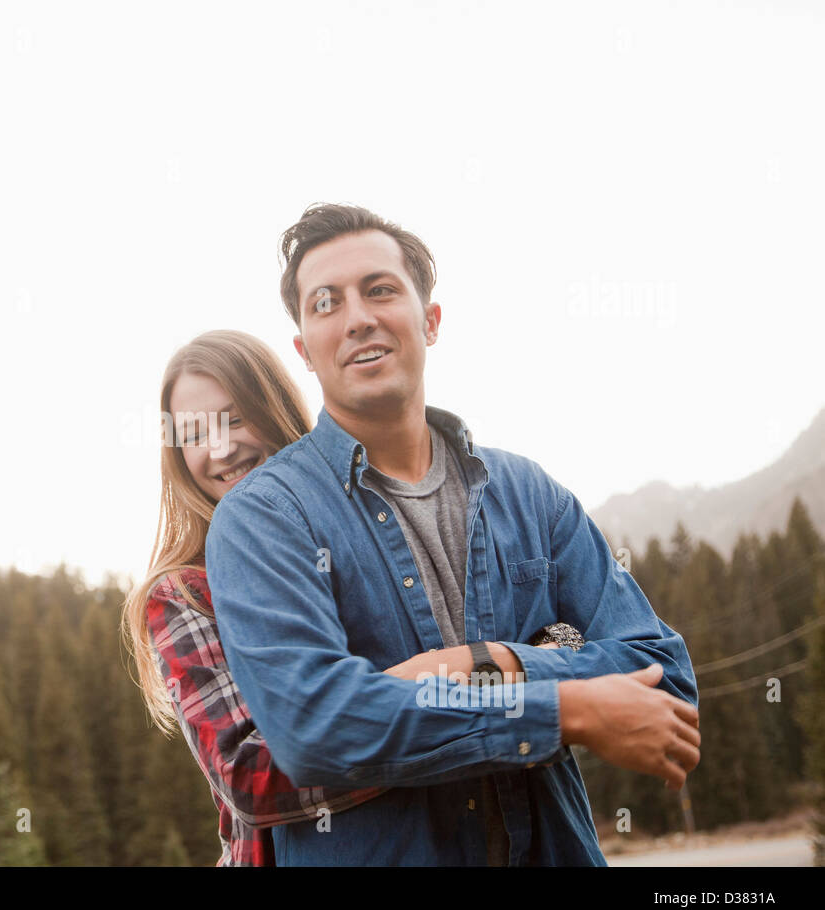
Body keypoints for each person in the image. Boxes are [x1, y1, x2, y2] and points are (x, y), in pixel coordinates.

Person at [203, 203, 702, 866]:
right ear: (305, 351)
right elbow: (316, 724)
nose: (357, 318)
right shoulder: (263, 517)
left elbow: (663, 672)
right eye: (325, 303)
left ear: (429, 320)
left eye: (380, 289)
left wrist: (492, 663)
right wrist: (563, 707)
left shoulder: (531, 495)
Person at [121, 330, 391, 866]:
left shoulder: (375, 529)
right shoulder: (184, 594)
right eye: (195, 433)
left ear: (278, 408)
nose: (221, 449)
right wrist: (452, 727)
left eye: (237, 417)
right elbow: (252, 775)